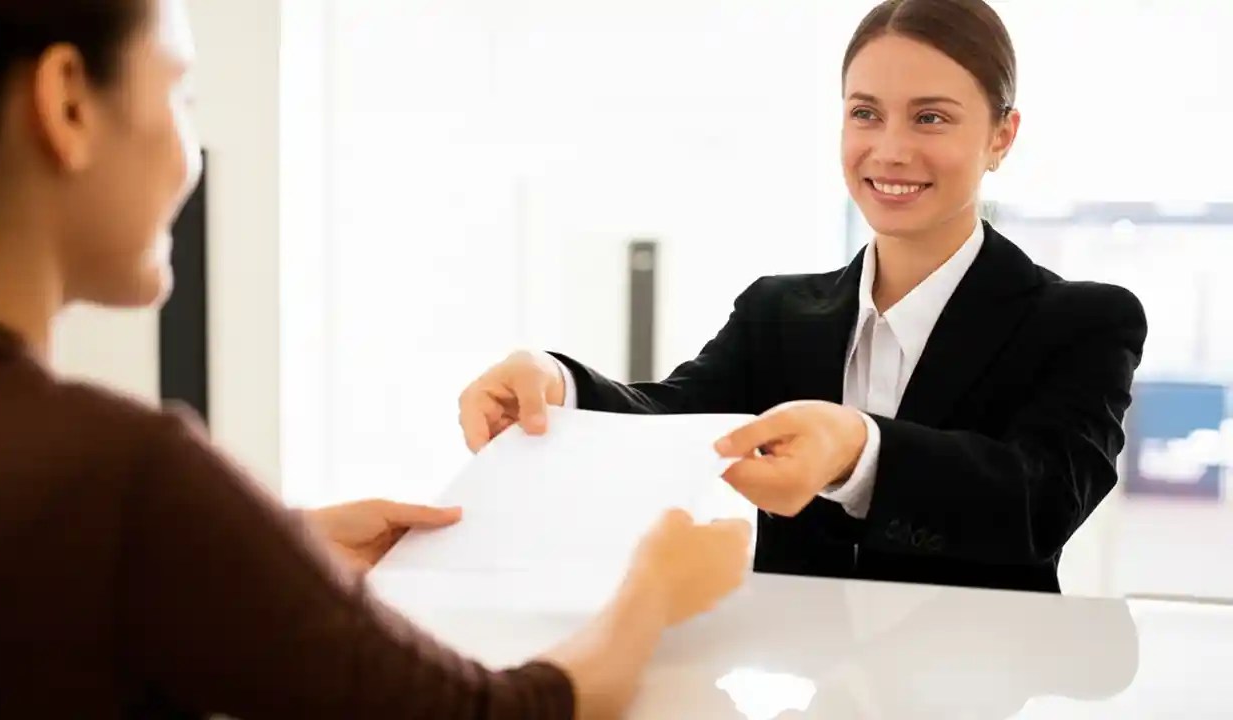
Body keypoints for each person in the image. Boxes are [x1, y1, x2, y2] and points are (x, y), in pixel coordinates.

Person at [0, 0, 752, 717]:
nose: (190, 157)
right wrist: (652, 593)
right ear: (67, 102)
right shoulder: (128, 472)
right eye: (180, 94)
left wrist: (264, 547)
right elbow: (499, 713)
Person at [459, 0, 1148, 595]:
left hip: (976, 683)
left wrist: (860, 451)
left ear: (1001, 136)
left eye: (931, 118)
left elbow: (1040, 500)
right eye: (865, 113)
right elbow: (669, 419)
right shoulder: (778, 313)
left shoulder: (1083, 322)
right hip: (802, 678)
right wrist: (559, 387)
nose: (890, 149)